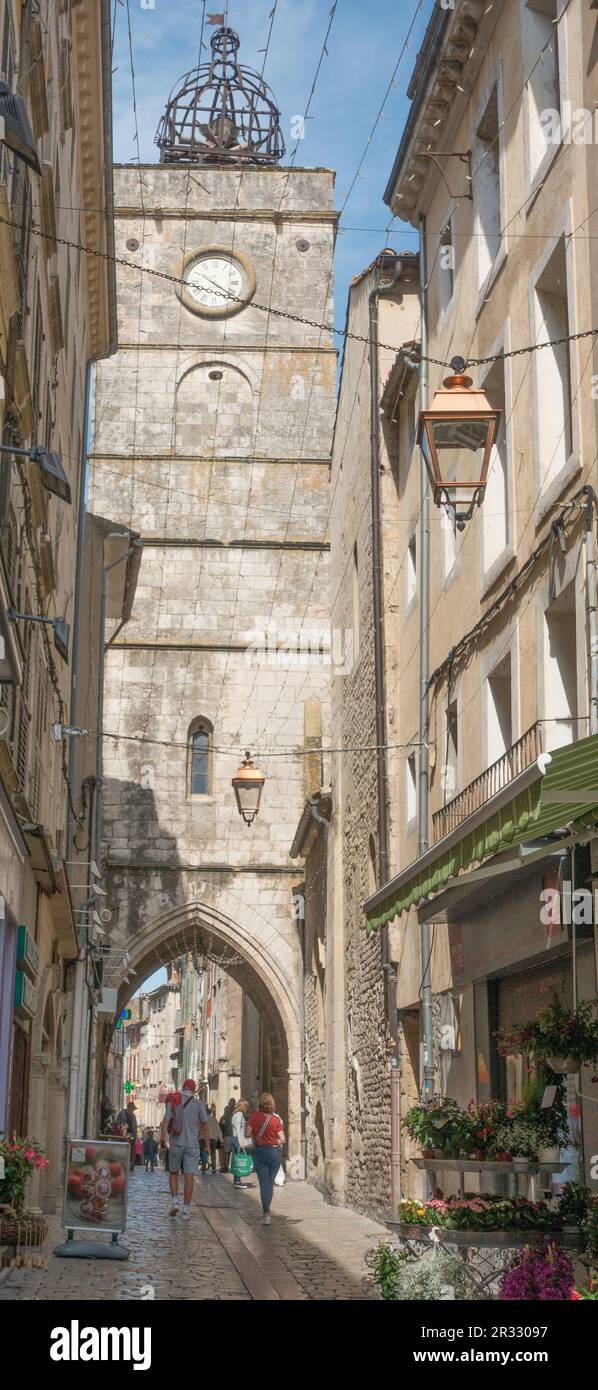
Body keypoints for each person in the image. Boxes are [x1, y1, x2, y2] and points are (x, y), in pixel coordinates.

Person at [160, 1079, 209, 1220]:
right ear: (194, 1090)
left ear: (183, 1088)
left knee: (173, 1173)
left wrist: (163, 1140)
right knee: (189, 1177)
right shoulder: (199, 1104)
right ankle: (186, 1210)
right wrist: (207, 1145)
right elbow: (205, 1125)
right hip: (192, 1145)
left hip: (176, 1142)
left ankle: (175, 1201)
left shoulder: (174, 1101)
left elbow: (166, 1121)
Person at [245, 1092, 285, 1225]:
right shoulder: (275, 1119)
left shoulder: (254, 1117)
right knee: (270, 1182)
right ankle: (267, 1212)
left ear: (259, 1104)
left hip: (260, 1152)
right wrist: (275, 1141)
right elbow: (283, 1139)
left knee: (264, 1184)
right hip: (274, 1152)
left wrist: (255, 1138)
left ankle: (266, 1214)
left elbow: (247, 1133)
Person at [231, 1099, 252, 1188]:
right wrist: (241, 1143)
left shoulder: (235, 1115)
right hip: (237, 1139)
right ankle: (238, 1182)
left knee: (237, 1160)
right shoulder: (239, 1115)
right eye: (246, 1106)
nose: (247, 1108)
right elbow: (239, 1131)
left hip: (234, 1139)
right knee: (239, 1160)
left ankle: (237, 1181)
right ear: (243, 1106)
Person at [116, 1100, 138, 1169]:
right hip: (122, 1136)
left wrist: (133, 1135)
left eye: (133, 1109)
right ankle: (122, 1164)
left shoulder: (133, 1115)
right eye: (132, 1109)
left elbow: (134, 1127)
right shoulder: (122, 1113)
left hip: (131, 1136)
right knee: (123, 1149)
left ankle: (131, 1164)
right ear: (128, 1107)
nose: (132, 1110)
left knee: (131, 1150)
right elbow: (119, 1124)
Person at [219, 1098, 236, 1172]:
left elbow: (222, 1124)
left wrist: (221, 1135)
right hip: (235, 1136)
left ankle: (225, 1166)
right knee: (234, 1153)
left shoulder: (226, 1113)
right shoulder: (236, 1112)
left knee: (226, 1153)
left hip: (228, 1135)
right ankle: (232, 1166)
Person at [205, 1105, 223, 1175]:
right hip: (213, 1139)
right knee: (213, 1154)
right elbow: (218, 1129)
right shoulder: (214, 1119)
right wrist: (221, 1139)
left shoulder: (202, 1119)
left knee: (204, 1153)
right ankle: (213, 1169)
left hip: (204, 1138)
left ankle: (204, 1167)